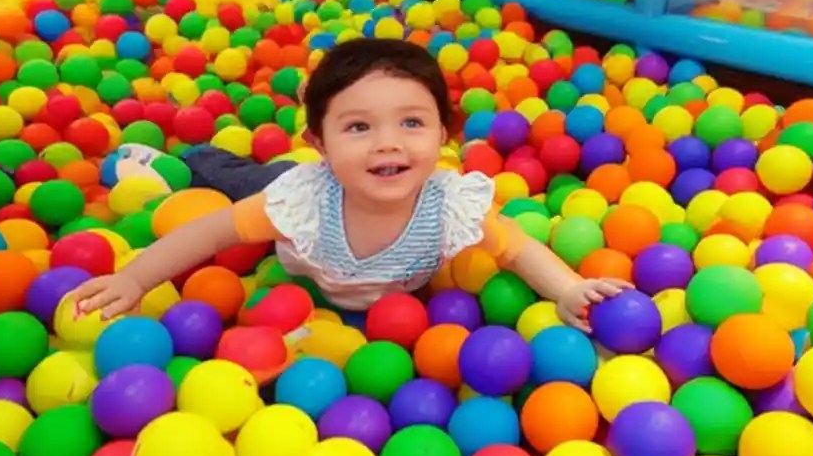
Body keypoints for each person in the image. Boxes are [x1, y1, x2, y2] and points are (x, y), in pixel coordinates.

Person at [73, 37, 631, 330]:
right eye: (358, 127)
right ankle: (201, 154)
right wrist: (135, 279)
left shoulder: (445, 204)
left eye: (411, 123)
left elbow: (516, 248)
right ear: (319, 142)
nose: (388, 143)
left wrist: (567, 290)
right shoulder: (300, 205)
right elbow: (210, 235)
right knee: (241, 180)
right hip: (286, 190)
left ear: (444, 134)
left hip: (393, 309)